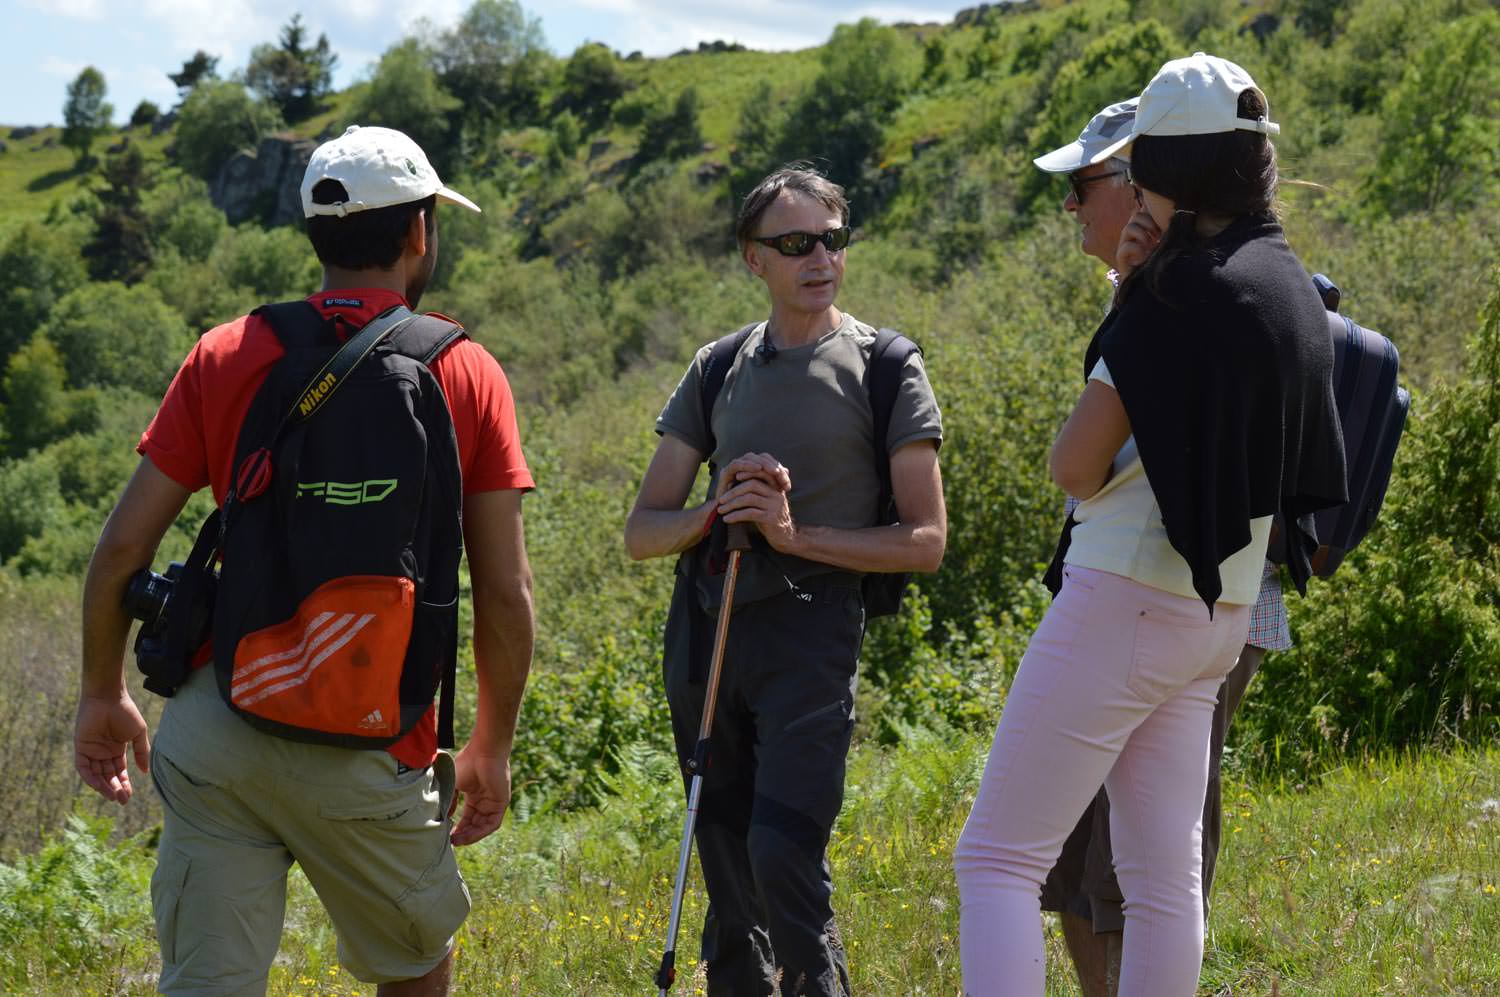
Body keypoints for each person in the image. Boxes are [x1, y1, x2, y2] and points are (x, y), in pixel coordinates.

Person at [73, 125, 536, 996]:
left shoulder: (226, 352)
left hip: (222, 724)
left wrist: (104, 692)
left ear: (316, 235)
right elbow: (506, 593)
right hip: (372, 740)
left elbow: (121, 551)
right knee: (413, 969)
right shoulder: (465, 372)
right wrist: (492, 743)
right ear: (418, 233)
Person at [954, 54, 1346, 996]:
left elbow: (1074, 467)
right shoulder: (1284, 282)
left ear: (1170, 169)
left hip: (1124, 597)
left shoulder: (1171, 292)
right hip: (1220, 612)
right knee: (1166, 884)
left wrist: (1133, 290)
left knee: (997, 860)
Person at [624, 165, 946, 996]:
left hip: (813, 630)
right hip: (710, 625)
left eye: (833, 239)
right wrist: (716, 509)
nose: (820, 258)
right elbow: (641, 530)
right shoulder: (718, 364)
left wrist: (794, 534)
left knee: (782, 852)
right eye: (795, 243)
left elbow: (925, 539)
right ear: (751, 259)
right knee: (729, 866)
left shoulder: (887, 366)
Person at [1032, 97, 1298, 996]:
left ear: (1149, 185)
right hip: (1182, 601)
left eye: (1087, 184)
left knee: (1120, 859)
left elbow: (1080, 465)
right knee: (1099, 856)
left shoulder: (1190, 293)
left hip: (1171, 594)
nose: (1075, 206)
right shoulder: (1156, 292)